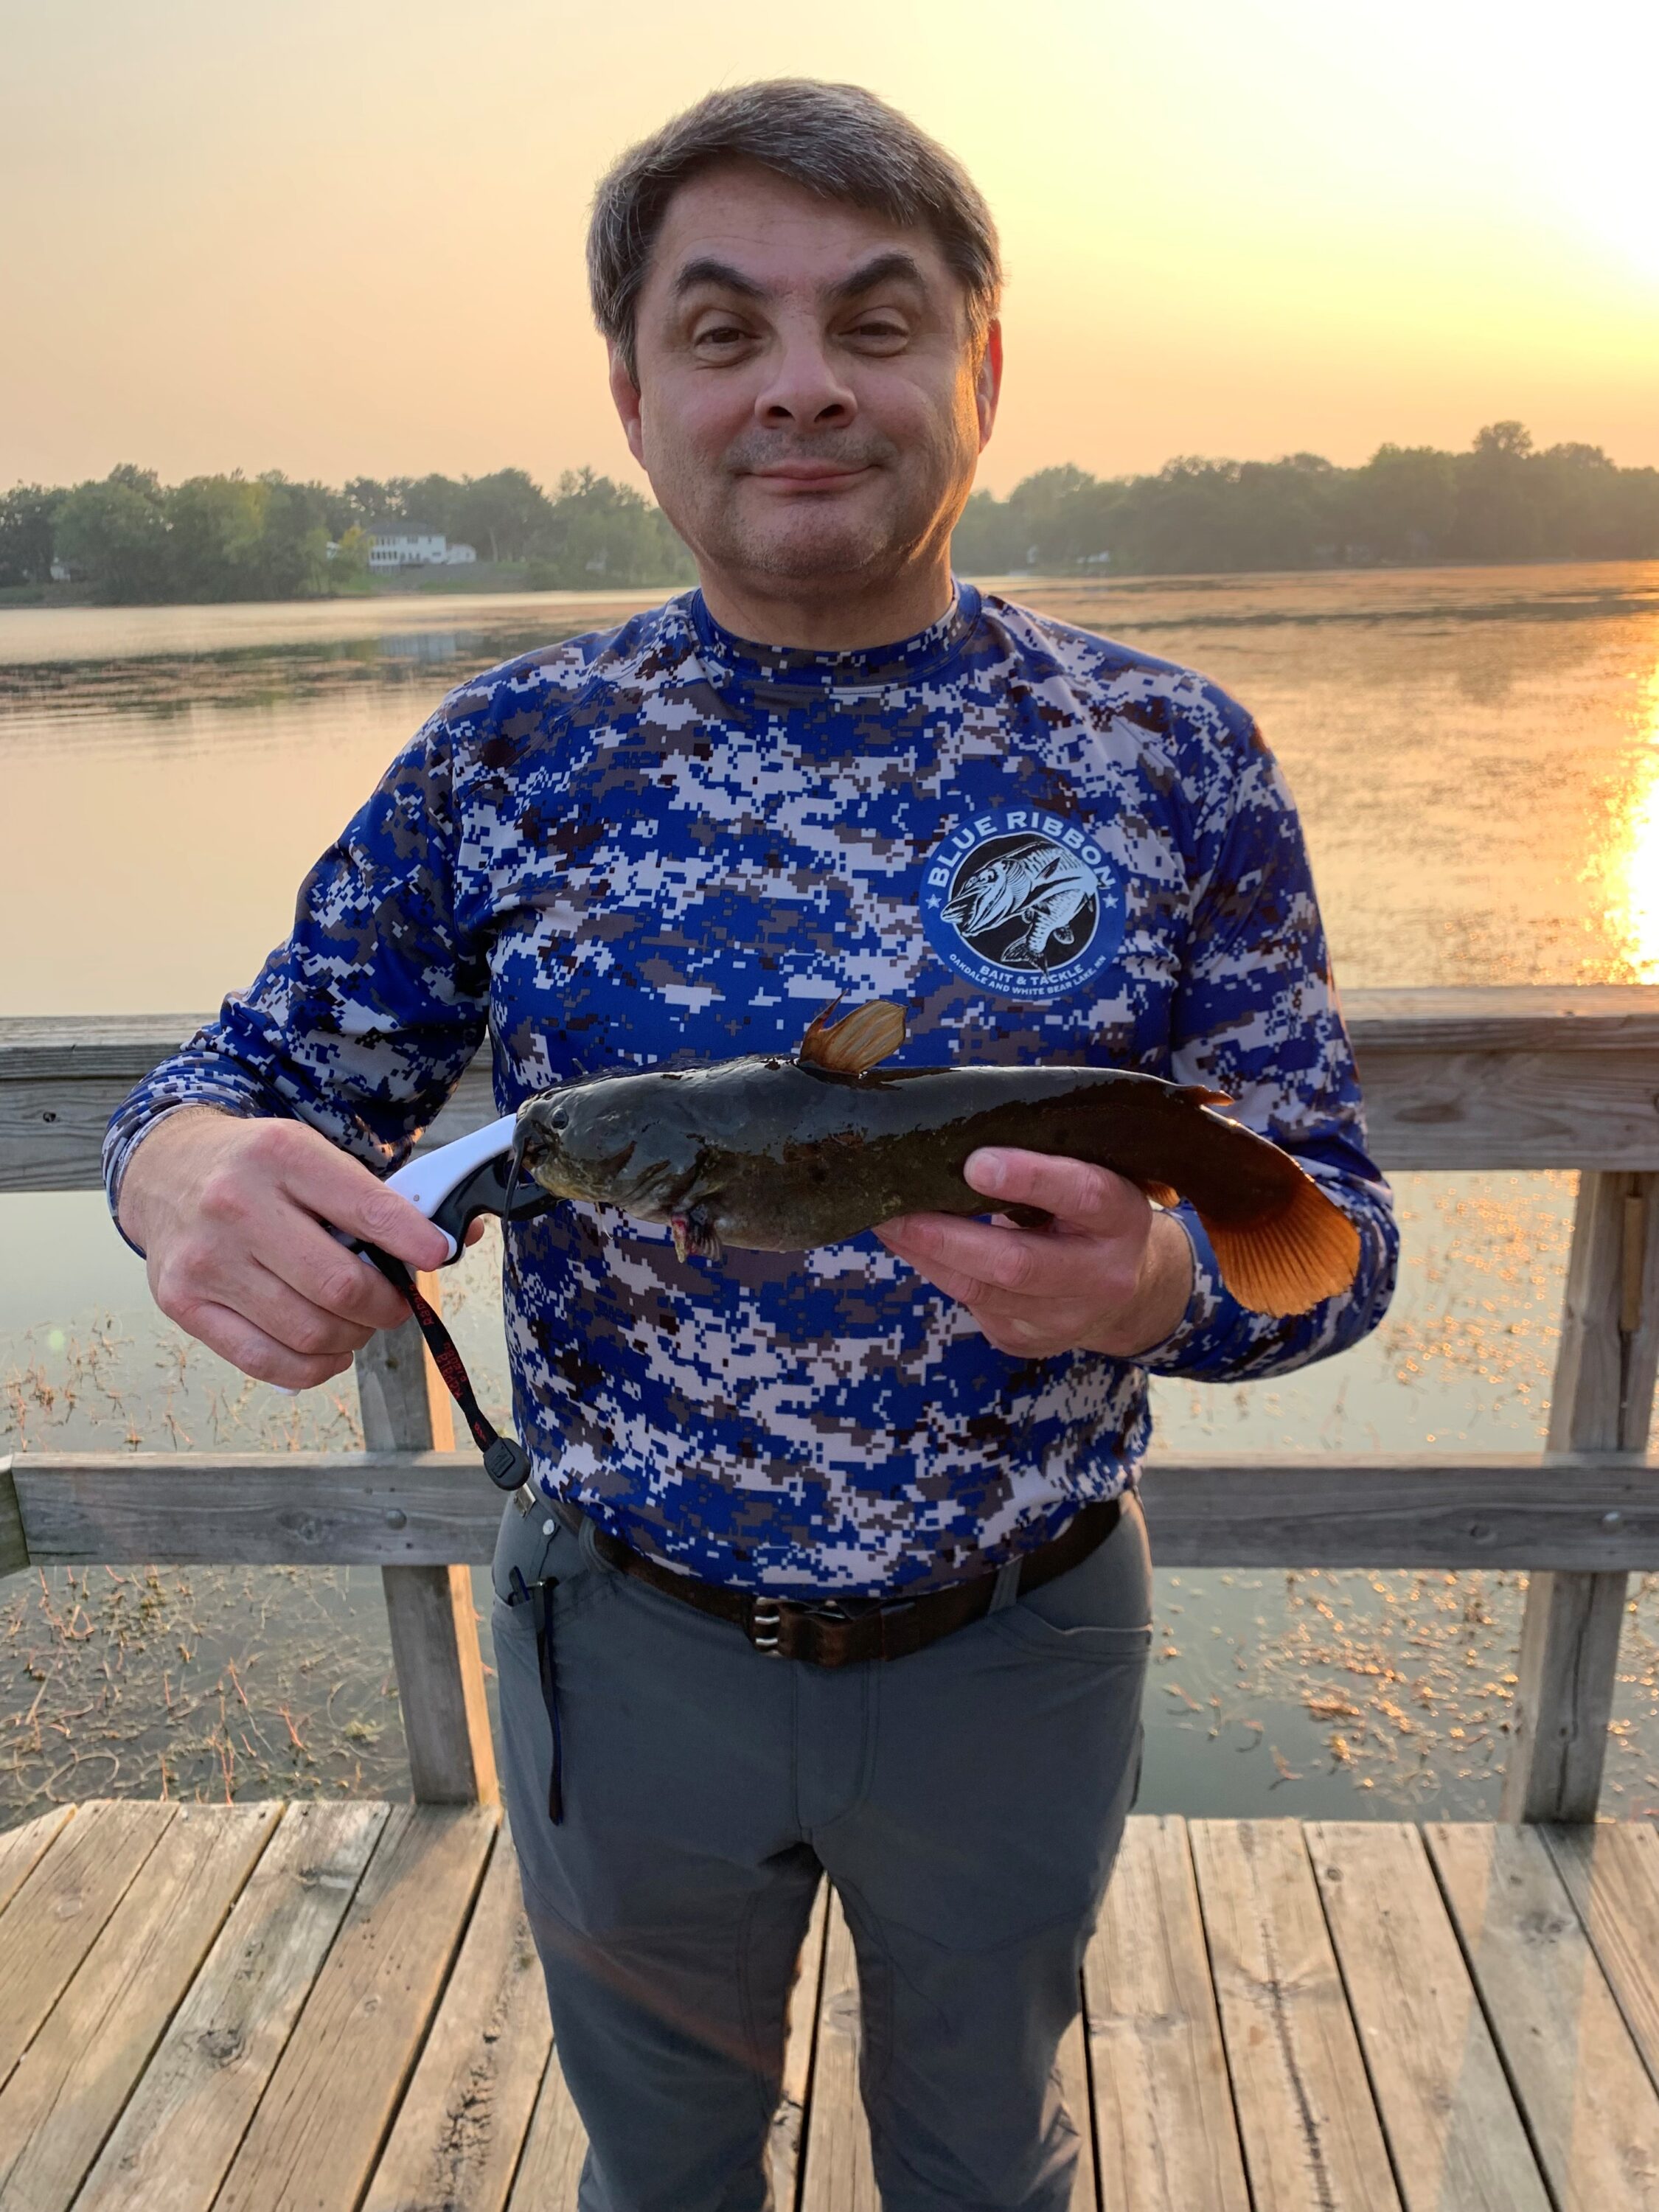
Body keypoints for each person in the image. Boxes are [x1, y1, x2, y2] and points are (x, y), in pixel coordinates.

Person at [105, 79, 1397, 2212]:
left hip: (1023, 1640)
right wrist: (180, 1181)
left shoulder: (1171, 756)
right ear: (633, 394)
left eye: (873, 324)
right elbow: (223, 1094)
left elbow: (1331, 1242)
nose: (801, 386)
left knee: (987, 2164)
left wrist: (1163, 1289)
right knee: (665, 2167)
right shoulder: (505, 759)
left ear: (977, 368)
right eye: (725, 332)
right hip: (621, 1652)